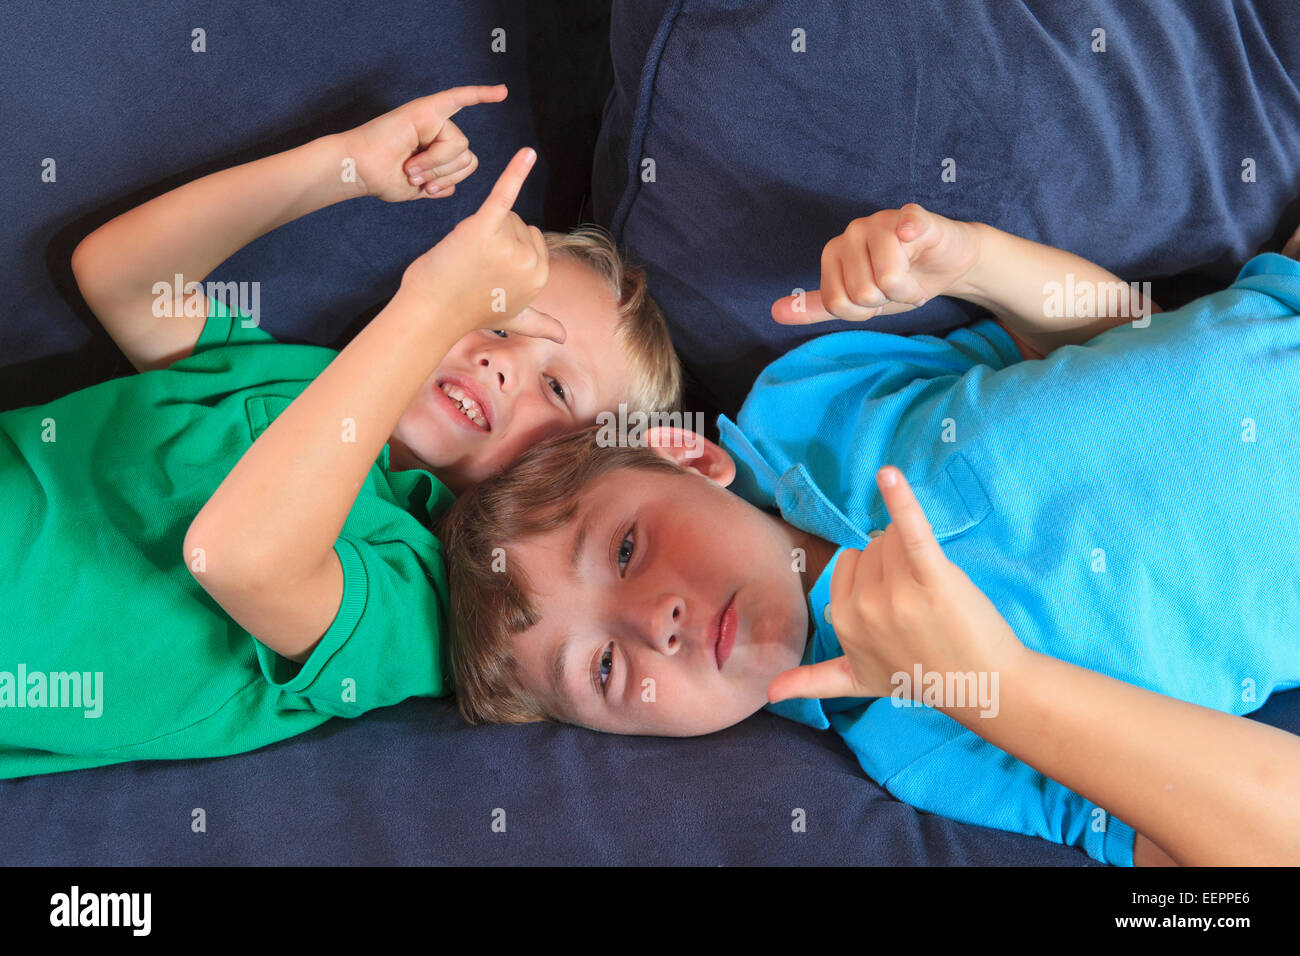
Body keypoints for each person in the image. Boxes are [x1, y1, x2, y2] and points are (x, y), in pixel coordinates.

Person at [435, 202, 1300, 866]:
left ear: (689, 457)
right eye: (605, 668)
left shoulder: (810, 399)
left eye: (625, 549)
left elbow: (1120, 342)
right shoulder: (919, 746)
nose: (652, 622)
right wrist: (998, 685)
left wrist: (978, 263)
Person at [0, 86, 682, 779]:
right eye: (496, 314)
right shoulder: (302, 375)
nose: (499, 361)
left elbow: (243, 559)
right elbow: (118, 276)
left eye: (557, 388)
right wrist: (344, 165)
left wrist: (438, 305)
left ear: (570, 474)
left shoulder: (423, 597)